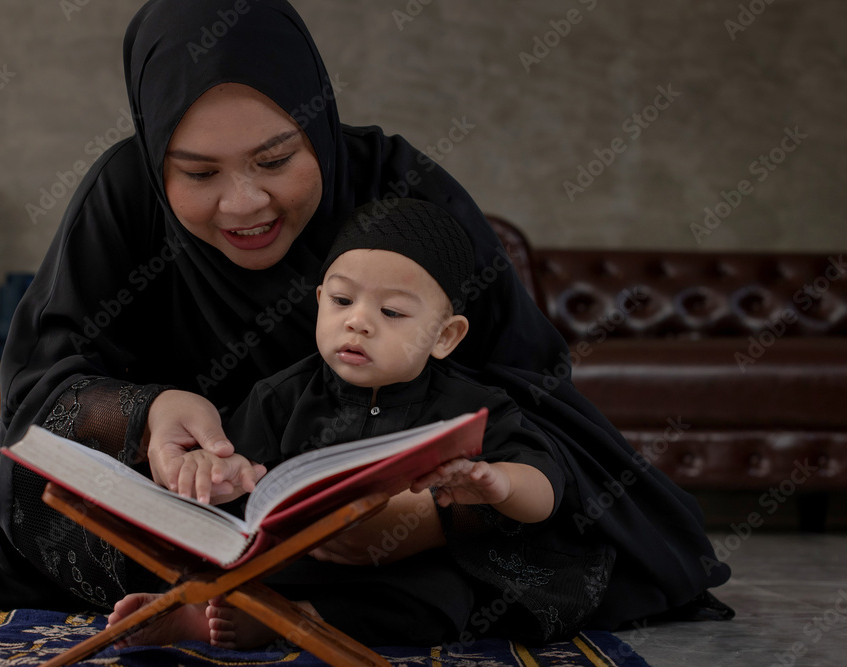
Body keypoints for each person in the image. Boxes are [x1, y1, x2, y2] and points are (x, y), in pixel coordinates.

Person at [0, 0, 730, 649]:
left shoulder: (399, 187)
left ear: (316, 125)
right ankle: (246, 587)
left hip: (387, 503)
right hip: (195, 493)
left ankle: (241, 596)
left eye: (277, 158)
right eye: (199, 173)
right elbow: (40, 388)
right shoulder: (123, 192)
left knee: (553, 508)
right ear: (156, 158)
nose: (245, 204)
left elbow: (528, 389)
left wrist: (432, 514)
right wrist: (152, 413)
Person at [108, 198, 590, 648]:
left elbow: (546, 488)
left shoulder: (473, 406)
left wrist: (501, 483)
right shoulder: (282, 395)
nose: (358, 322)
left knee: (443, 596)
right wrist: (223, 475)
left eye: (392, 311)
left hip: (398, 570)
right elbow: (238, 478)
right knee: (212, 555)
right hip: (294, 561)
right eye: (342, 301)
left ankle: (294, 620)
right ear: (319, 300)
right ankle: (201, 611)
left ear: (445, 336)